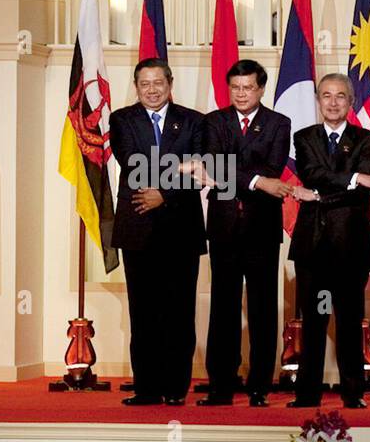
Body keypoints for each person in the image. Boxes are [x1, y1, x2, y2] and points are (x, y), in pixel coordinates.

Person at [109, 58, 206, 406]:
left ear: (170, 83)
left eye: (158, 83)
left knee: (179, 312)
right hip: (138, 229)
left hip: (181, 229)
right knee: (144, 313)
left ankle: (175, 389)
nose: (152, 90)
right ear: (136, 86)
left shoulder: (194, 121)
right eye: (144, 84)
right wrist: (178, 170)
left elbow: (201, 167)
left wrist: (163, 194)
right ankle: (147, 388)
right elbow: (133, 163)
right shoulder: (121, 120)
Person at [199, 59, 293, 408]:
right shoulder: (214, 121)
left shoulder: (278, 123)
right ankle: (220, 385)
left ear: (261, 89)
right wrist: (256, 181)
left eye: (248, 88)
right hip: (223, 228)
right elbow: (214, 164)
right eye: (235, 88)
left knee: (263, 308)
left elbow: (274, 167)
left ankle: (259, 387)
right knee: (222, 308)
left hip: (262, 229)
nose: (241, 94)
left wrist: (248, 176)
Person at [287, 73, 370, 409]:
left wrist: (318, 196)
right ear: (318, 100)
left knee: (348, 322)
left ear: (351, 101)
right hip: (312, 245)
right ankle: (307, 393)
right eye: (326, 95)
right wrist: (355, 178)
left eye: (340, 96)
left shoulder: (367, 140)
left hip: (351, 245)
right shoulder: (304, 137)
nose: (332, 102)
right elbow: (312, 174)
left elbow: (351, 191)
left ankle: (353, 393)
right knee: (312, 322)